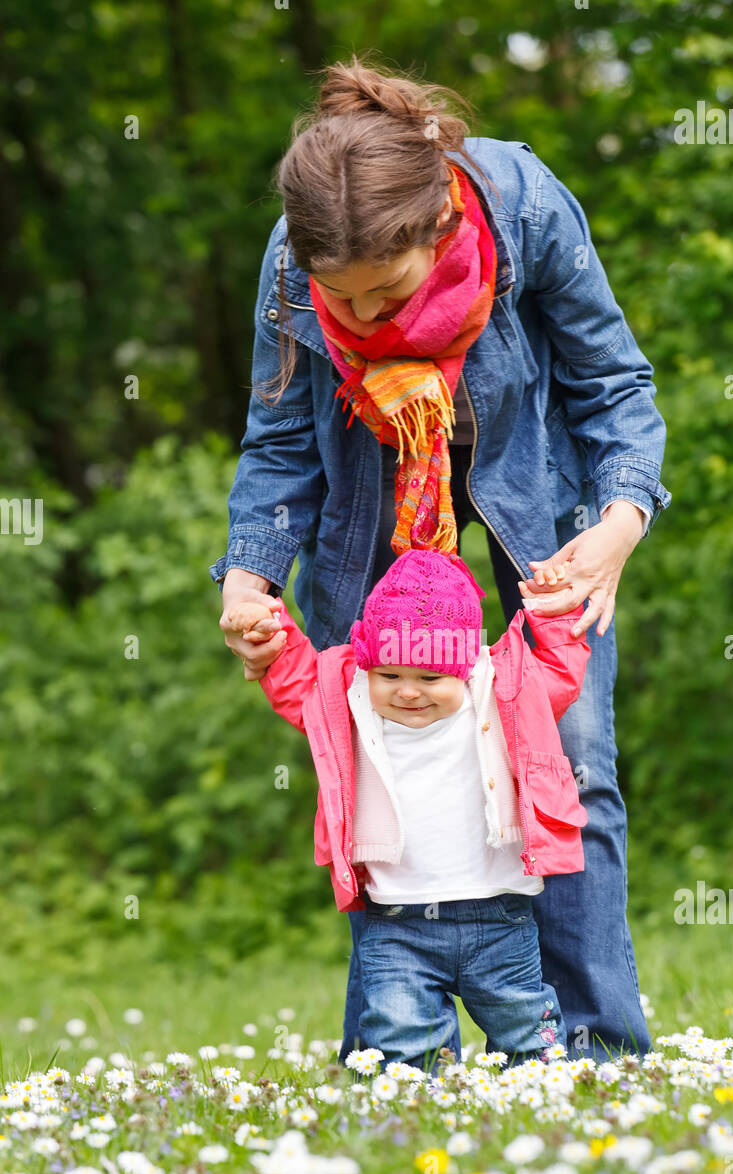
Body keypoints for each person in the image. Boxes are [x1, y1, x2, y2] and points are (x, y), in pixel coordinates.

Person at [212, 55, 671, 1062]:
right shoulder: (295, 265)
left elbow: (611, 385)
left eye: (386, 296)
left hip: (538, 502)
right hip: (367, 520)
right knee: (377, 768)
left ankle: (586, 1050)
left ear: (438, 229)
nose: (368, 324)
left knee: (575, 764)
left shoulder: (519, 207)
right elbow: (282, 440)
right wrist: (250, 574)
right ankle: (397, 1052)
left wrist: (617, 524)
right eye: (348, 306)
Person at [223, 547, 591, 1071]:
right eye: (389, 676)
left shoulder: (502, 691)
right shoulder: (349, 702)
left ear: (465, 669)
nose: (409, 692)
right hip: (396, 924)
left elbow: (563, 666)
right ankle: (410, 1122)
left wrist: (554, 608)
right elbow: (295, 676)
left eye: (430, 678)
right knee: (400, 1041)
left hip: (500, 917)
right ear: (368, 667)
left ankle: (541, 1105)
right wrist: (263, 620)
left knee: (526, 1032)